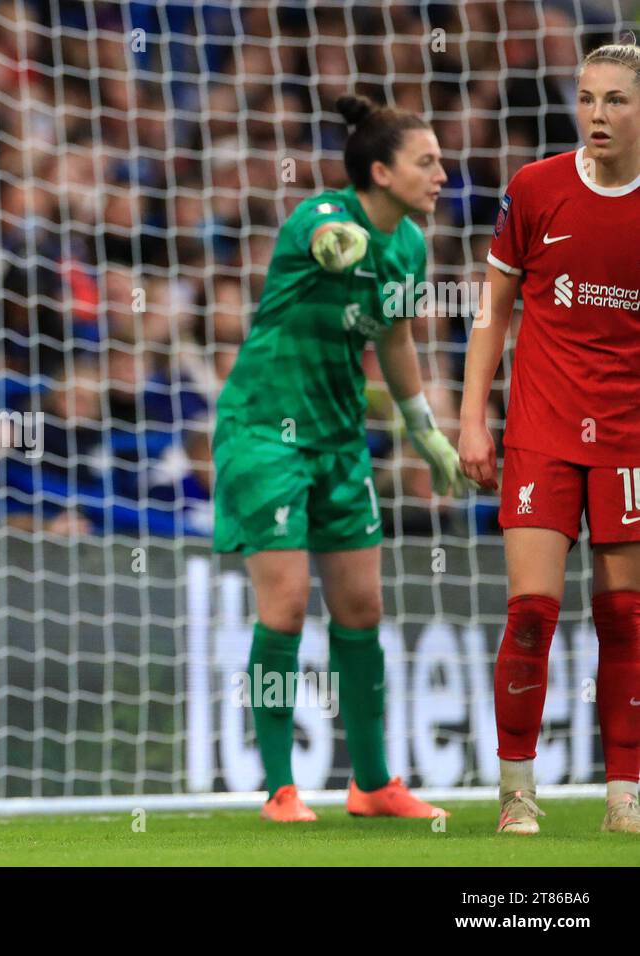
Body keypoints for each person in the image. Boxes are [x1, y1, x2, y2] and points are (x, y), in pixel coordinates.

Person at [213, 93, 471, 822]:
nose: (443, 174)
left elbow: (393, 337)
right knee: (287, 605)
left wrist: (424, 429)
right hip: (264, 429)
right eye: (427, 162)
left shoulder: (413, 246)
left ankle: (374, 783)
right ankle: (278, 787)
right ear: (381, 172)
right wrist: (345, 246)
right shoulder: (320, 217)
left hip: (337, 437)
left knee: (363, 606)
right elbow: (331, 248)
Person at [460, 40, 640, 835]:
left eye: (617, 100)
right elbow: (492, 312)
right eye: (588, 97)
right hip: (541, 429)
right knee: (530, 609)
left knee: (626, 617)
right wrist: (472, 418)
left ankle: (625, 797)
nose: (597, 114)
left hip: (630, 438)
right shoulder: (534, 189)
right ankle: (516, 794)